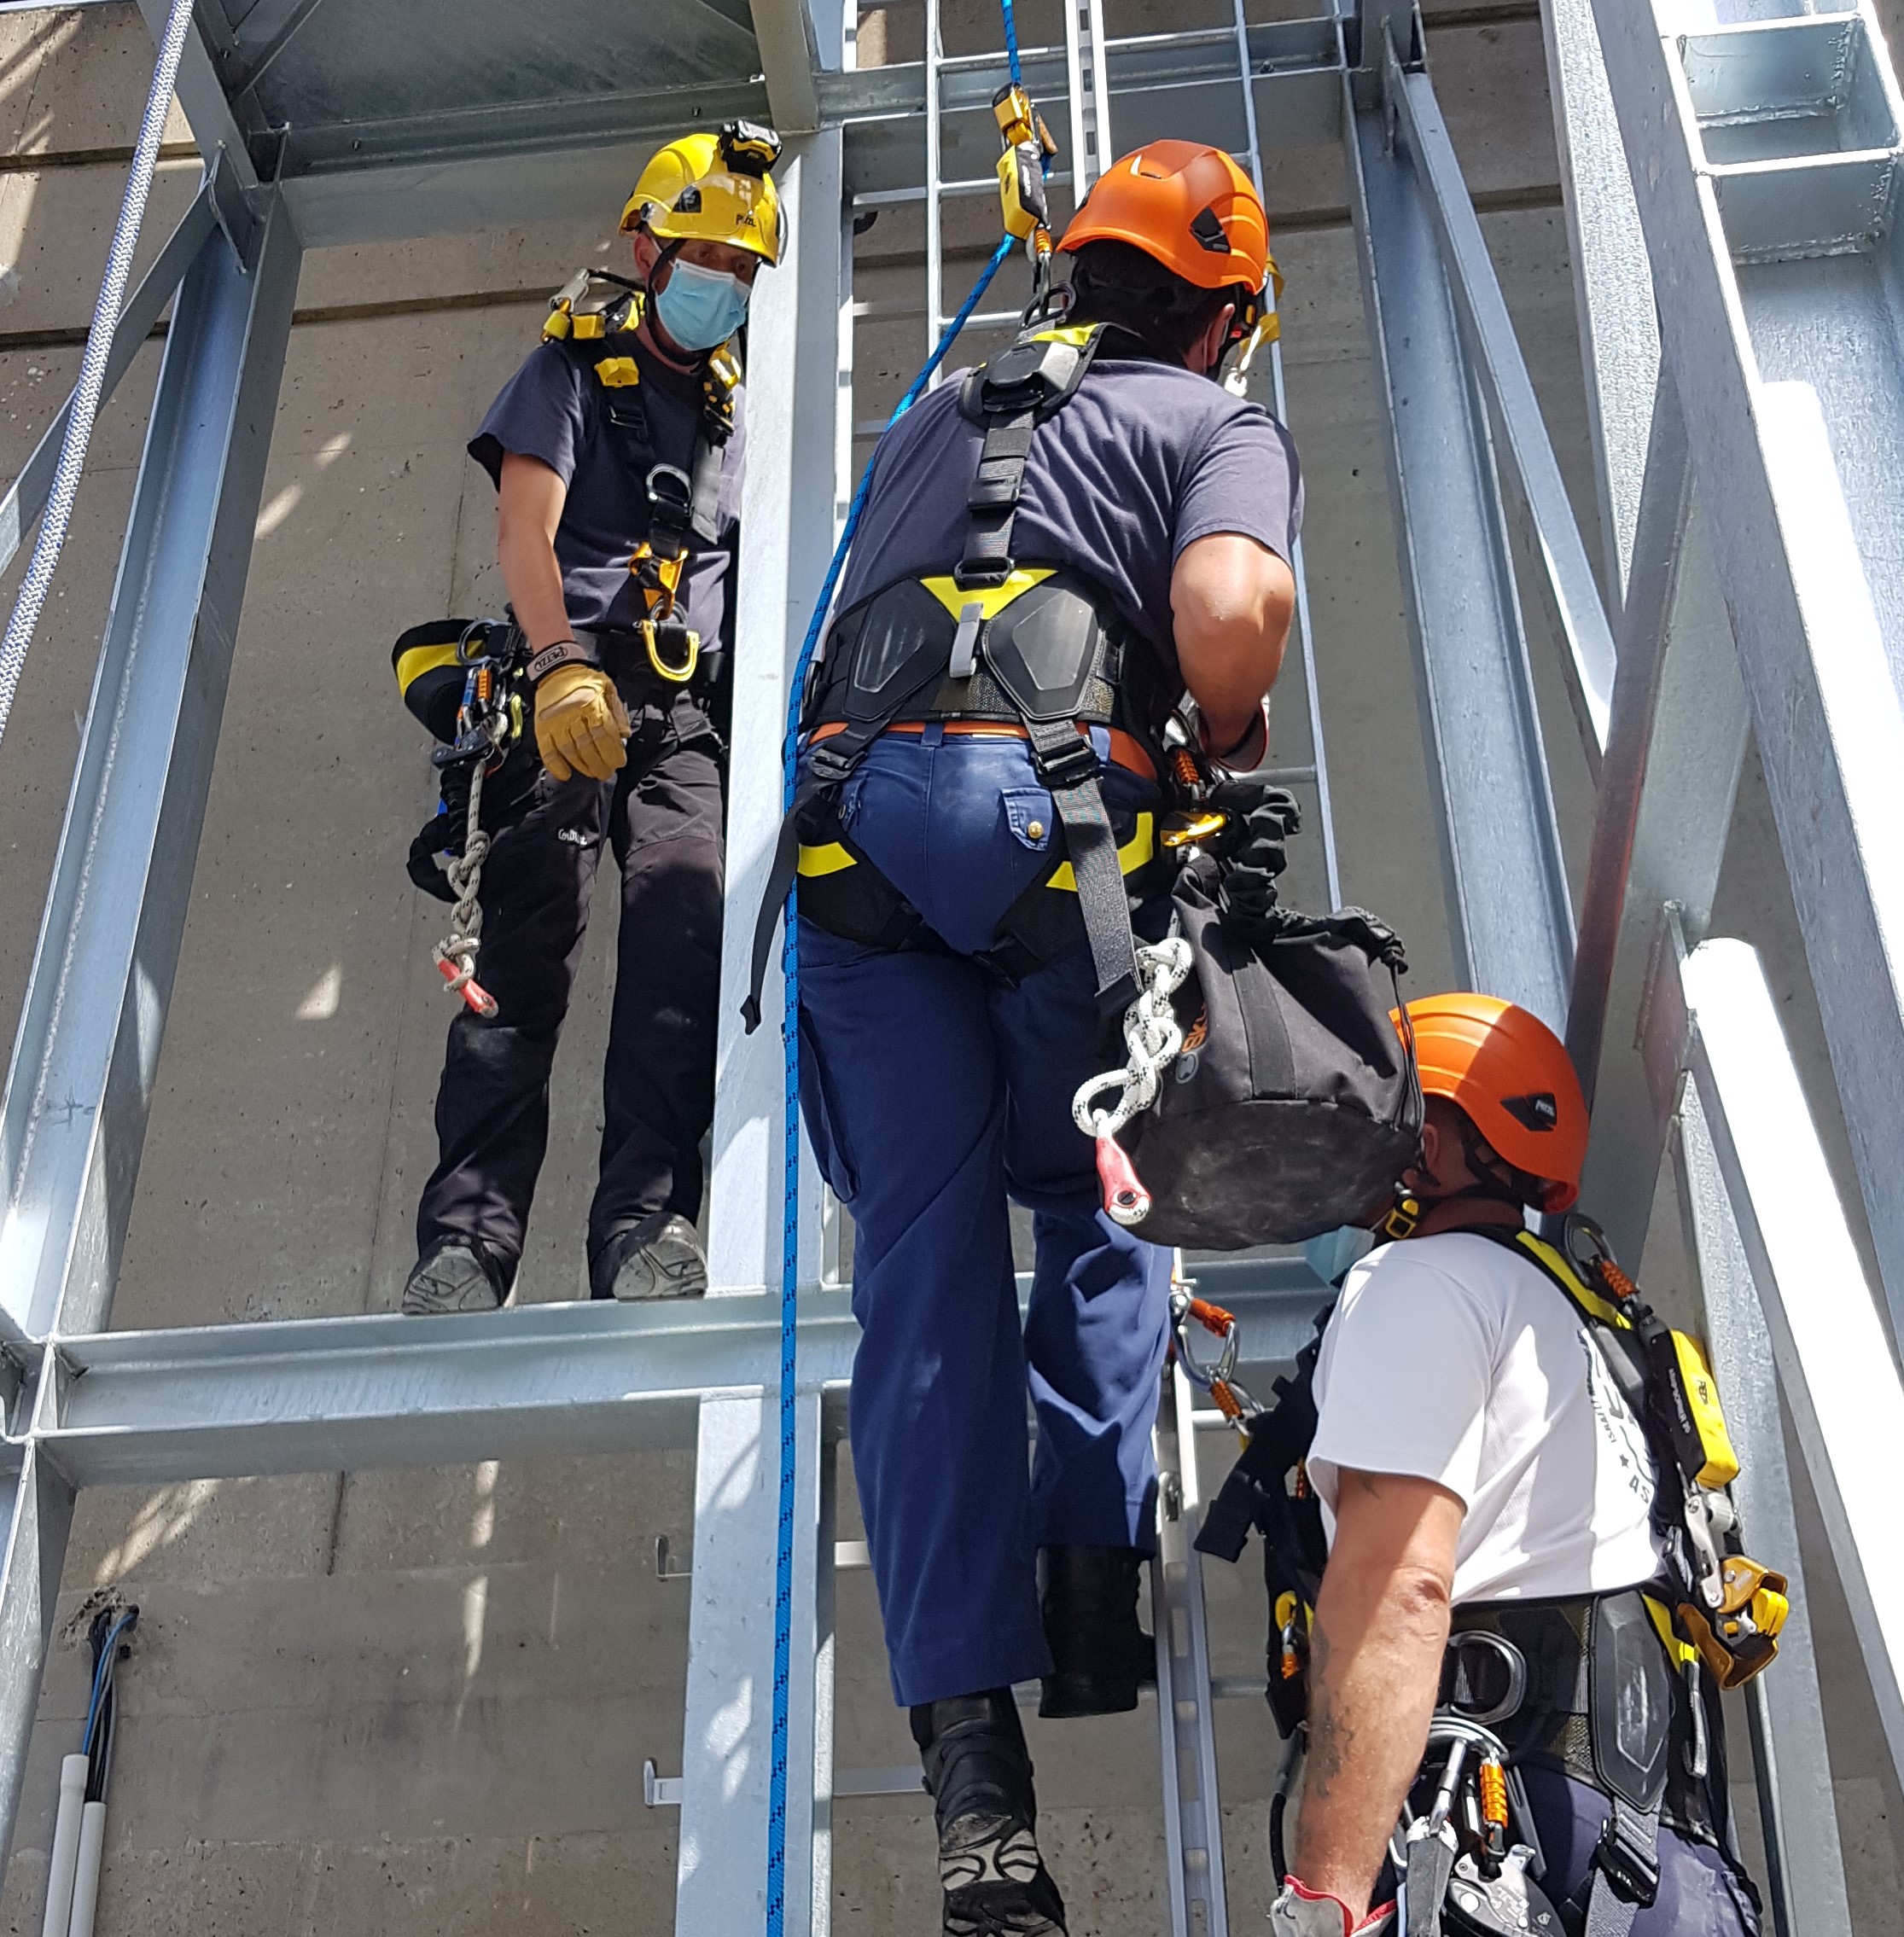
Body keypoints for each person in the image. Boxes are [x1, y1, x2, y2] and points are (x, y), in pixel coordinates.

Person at [789, 143, 1302, 1935]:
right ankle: (1090, 1590)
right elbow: (1228, 612)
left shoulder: (940, 407)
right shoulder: (1203, 417)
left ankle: (970, 1778)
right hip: (1048, 834)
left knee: (917, 1284)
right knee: (1106, 1191)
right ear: (1222, 306)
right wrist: (1221, 733)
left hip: (853, 849)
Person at [1268, 993, 1764, 1936]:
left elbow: (1394, 1588)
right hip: (1658, 1866)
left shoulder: (1415, 1285)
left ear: (1433, 1141)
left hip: (1523, 1853)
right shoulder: (1574, 1313)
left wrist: (1325, 1899)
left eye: (1373, 1114)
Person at [398, 122, 782, 1315]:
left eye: (740, 264)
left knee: (679, 960)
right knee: (522, 966)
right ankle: (464, 1246)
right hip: (568, 689)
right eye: (702, 252)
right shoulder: (574, 368)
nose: (721, 279)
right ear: (646, 245)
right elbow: (527, 528)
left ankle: (643, 1228)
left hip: (683, 717)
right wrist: (559, 662)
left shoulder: (737, 416)